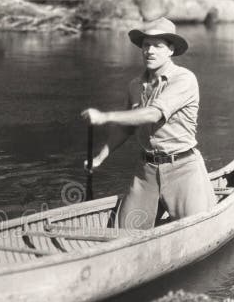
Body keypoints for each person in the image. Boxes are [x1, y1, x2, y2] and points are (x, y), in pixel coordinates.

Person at [81, 17, 217, 229]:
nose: (150, 51)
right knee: (124, 232)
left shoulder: (184, 79)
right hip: (146, 171)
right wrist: (100, 157)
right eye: (146, 45)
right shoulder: (135, 85)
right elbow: (127, 127)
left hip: (182, 168)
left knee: (197, 230)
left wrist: (105, 116)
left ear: (170, 50)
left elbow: (153, 114)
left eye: (157, 46)